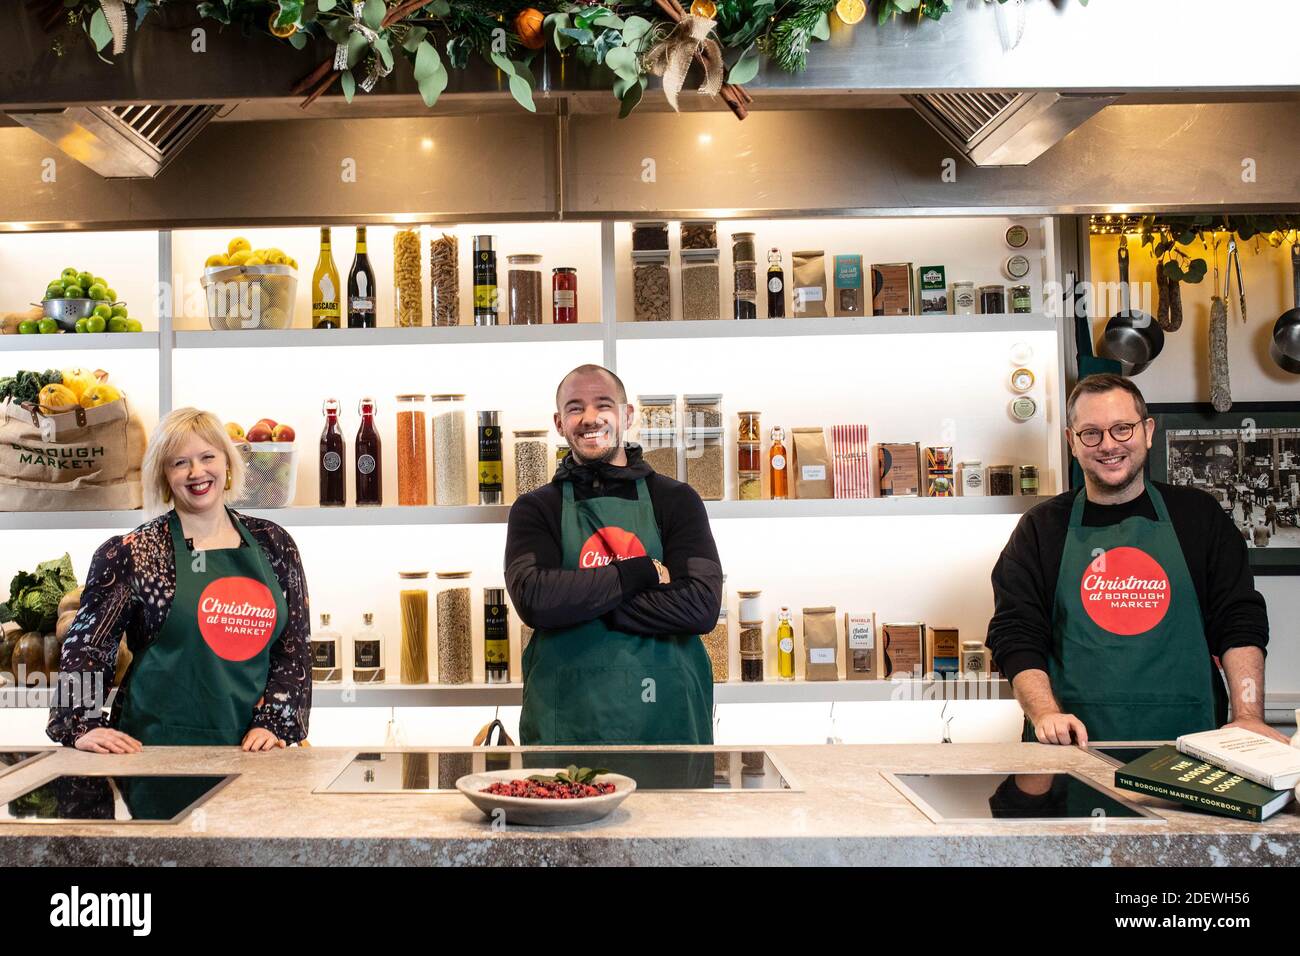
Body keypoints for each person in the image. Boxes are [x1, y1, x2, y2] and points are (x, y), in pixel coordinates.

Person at [987, 374, 1286, 746]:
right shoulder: (1041, 527)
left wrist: (1248, 717)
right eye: (1091, 433)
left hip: (1190, 744)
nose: (1108, 445)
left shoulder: (1199, 517)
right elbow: (1016, 632)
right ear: (1072, 442)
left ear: (1146, 431)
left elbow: (1239, 620)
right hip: (1071, 749)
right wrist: (1044, 713)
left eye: (1122, 429)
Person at [47, 408, 312, 753]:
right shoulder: (132, 553)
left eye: (207, 457)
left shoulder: (274, 544)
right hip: (152, 751)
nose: (196, 472)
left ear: (227, 464)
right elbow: (88, 647)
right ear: (163, 476)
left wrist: (275, 721)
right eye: (179, 463)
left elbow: (294, 650)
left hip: (249, 751)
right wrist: (81, 723)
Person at [505, 364, 722, 745]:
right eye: (575, 408)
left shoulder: (676, 501)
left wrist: (580, 605)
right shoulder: (535, 508)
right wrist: (639, 573)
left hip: (668, 721)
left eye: (603, 404)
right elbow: (535, 600)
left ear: (627, 415)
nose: (589, 418)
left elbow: (701, 606)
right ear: (559, 423)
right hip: (568, 723)